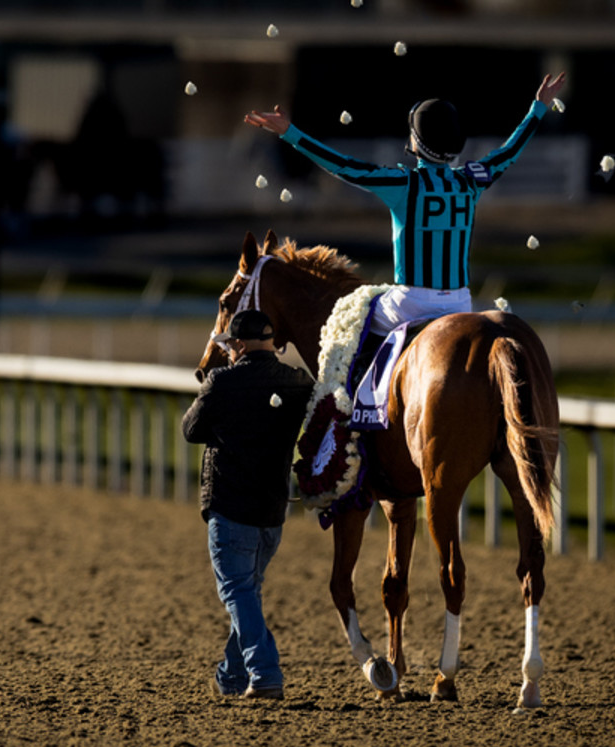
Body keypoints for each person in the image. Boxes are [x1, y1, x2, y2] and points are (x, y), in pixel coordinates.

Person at [244, 73, 567, 336]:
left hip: (410, 302)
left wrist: (290, 133)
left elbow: (343, 166)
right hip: (461, 302)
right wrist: (538, 108)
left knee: (352, 319)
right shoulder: (471, 180)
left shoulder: (403, 184)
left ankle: (354, 407)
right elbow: (508, 153)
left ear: (417, 142)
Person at [182, 309, 315, 700]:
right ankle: (231, 676)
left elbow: (191, 430)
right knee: (247, 594)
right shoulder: (298, 382)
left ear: (237, 345)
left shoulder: (222, 382)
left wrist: (213, 388)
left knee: (238, 593)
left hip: (230, 506)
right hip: (272, 512)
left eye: (230, 346)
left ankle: (265, 673)